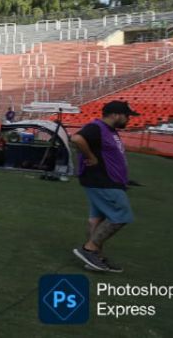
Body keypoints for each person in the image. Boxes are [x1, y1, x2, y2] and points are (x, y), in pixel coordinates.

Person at [70, 101, 138, 273]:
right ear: (115, 115)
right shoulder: (96, 127)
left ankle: (96, 258)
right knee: (121, 215)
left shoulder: (109, 131)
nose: (128, 119)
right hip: (102, 180)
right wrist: (90, 157)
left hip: (107, 180)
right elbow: (77, 138)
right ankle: (89, 249)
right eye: (126, 115)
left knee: (97, 219)